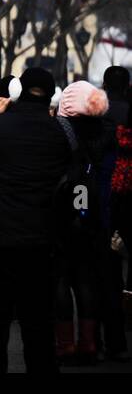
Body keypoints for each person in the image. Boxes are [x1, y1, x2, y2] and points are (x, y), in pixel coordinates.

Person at [0, 66, 69, 374]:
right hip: (41, 242)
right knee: (39, 322)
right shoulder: (59, 134)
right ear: (51, 96)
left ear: (17, 92)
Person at [54, 80, 110, 365]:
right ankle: (89, 343)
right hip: (92, 217)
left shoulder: (59, 134)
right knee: (87, 280)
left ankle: (65, 345)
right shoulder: (100, 132)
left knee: (61, 280)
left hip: (63, 216)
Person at [99, 66, 130, 361]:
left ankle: (111, 340)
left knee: (107, 275)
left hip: (106, 202)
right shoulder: (126, 112)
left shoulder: (98, 112)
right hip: (123, 199)